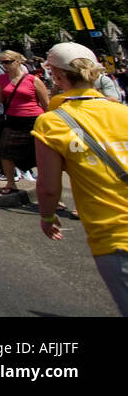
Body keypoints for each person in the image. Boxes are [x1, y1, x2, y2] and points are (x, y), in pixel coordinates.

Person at [33, 42, 128, 315]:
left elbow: (49, 189)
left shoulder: (52, 122)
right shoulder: (123, 112)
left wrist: (48, 217)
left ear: (58, 76)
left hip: (114, 235)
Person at [0, 49, 50, 195]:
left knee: (39, 155)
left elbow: (46, 104)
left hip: (33, 119)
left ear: (18, 61)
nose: (5, 65)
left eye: (8, 62)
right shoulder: (2, 79)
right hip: (12, 119)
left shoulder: (32, 79)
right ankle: (11, 183)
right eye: (2, 62)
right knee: (5, 152)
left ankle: (48, 189)